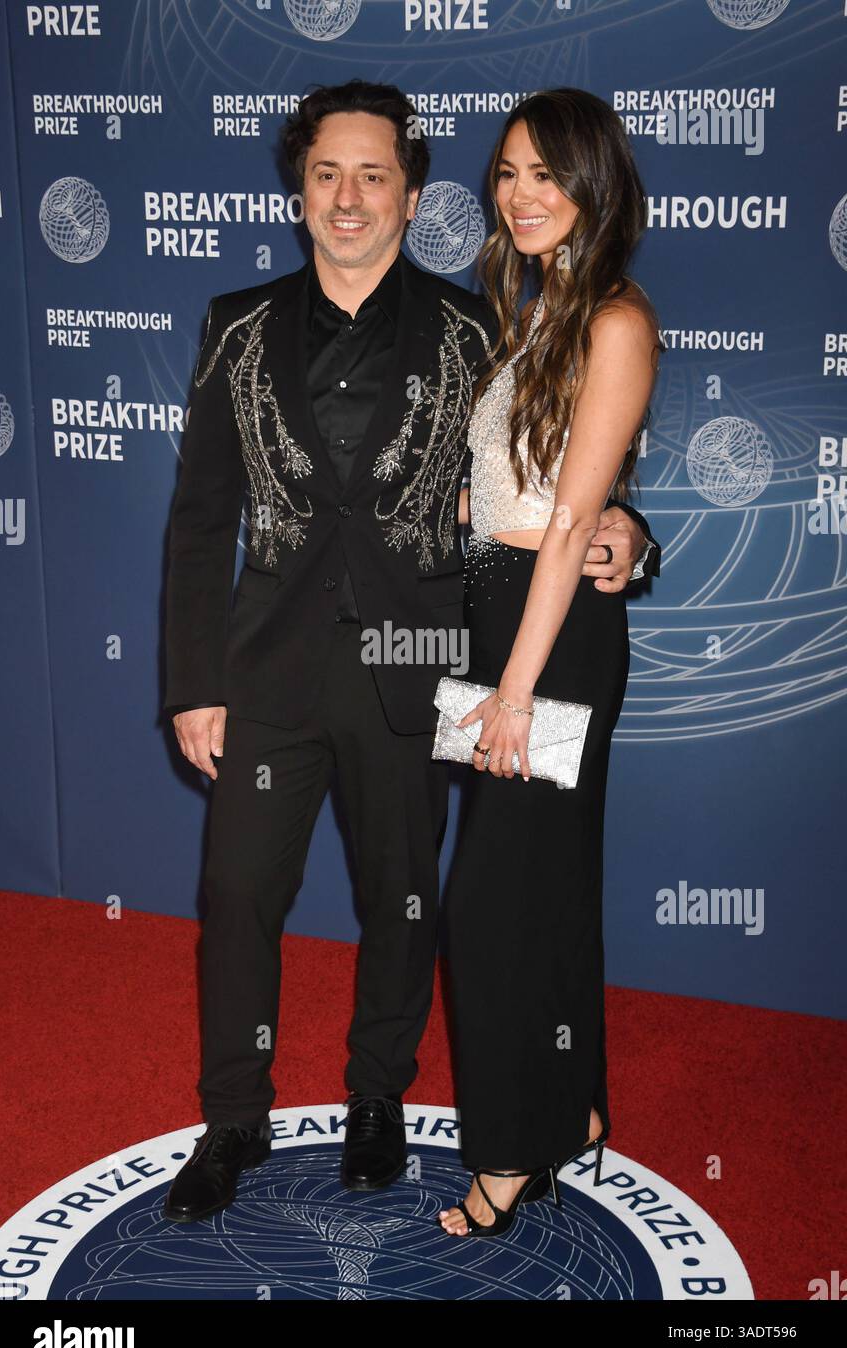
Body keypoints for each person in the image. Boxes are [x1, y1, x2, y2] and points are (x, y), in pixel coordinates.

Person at [161, 80, 660, 1223]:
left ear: (411, 192)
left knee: (407, 898)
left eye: (373, 174)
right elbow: (198, 518)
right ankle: (234, 1116)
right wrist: (193, 682)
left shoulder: (477, 321)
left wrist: (635, 536)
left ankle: (379, 1094)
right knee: (237, 889)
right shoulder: (234, 324)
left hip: (426, 651)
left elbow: (568, 473)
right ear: (299, 188)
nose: (348, 197)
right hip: (268, 667)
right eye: (327, 173)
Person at [438, 90, 665, 1238]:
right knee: (548, 886)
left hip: (550, 633)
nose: (521, 194)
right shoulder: (532, 307)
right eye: (509, 172)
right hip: (500, 611)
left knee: (487, 906)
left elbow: (574, 528)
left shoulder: (616, 320)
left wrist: (518, 691)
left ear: (594, 186)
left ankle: (514, 1151)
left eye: (547, 174)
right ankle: (572, 1107)